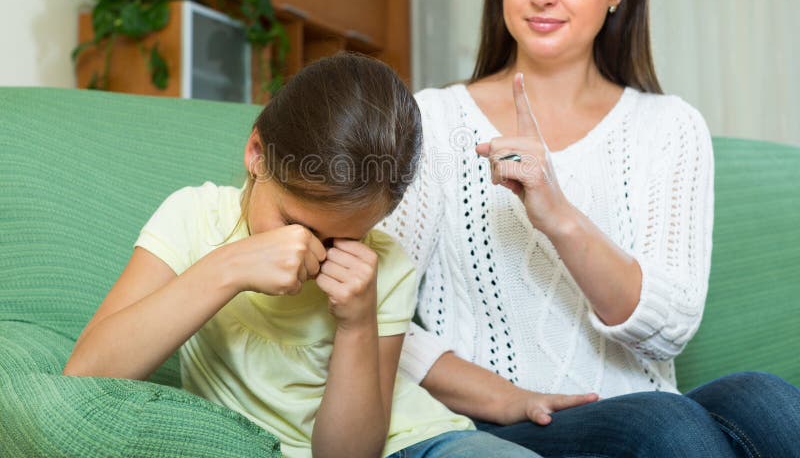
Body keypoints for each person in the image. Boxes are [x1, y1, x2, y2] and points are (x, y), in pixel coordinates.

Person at [378, 0, 800, 458]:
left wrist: (558, 216)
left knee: (771, 402)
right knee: (669, 429)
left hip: (647, 415)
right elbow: (374, 308)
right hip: (502, 423)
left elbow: (671, 325)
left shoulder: (669, 126)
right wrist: (502, 394)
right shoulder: (432, 121)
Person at [62, 53, 544, 458]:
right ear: (256, 154)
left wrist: (357, 325)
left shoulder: (383, 267)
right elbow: (86, 374)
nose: (313, 251)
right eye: (296, 224)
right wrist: (227, 267)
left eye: (346, 238)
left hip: (422, 439)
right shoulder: (193, 218)